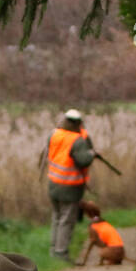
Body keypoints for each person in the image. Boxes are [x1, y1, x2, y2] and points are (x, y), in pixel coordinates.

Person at [46, 108, 95, 262]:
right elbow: (84, 160)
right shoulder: (77, 140)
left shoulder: (54, 134)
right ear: (78, 123)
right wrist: (91, 154)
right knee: (67, 220)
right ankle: (61, 254)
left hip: (53, 183)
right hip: (69, 186)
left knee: (56, 217)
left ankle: (53, 250)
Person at [78, 200, 125, 265]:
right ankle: (113, 260)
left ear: (87, 213)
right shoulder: (103, 223)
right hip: (121, 251)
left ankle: (112, 259)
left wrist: (84, 261)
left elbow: (93, 241)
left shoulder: (94, 225)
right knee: (103, 248)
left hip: (114, 251)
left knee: (101, 252)